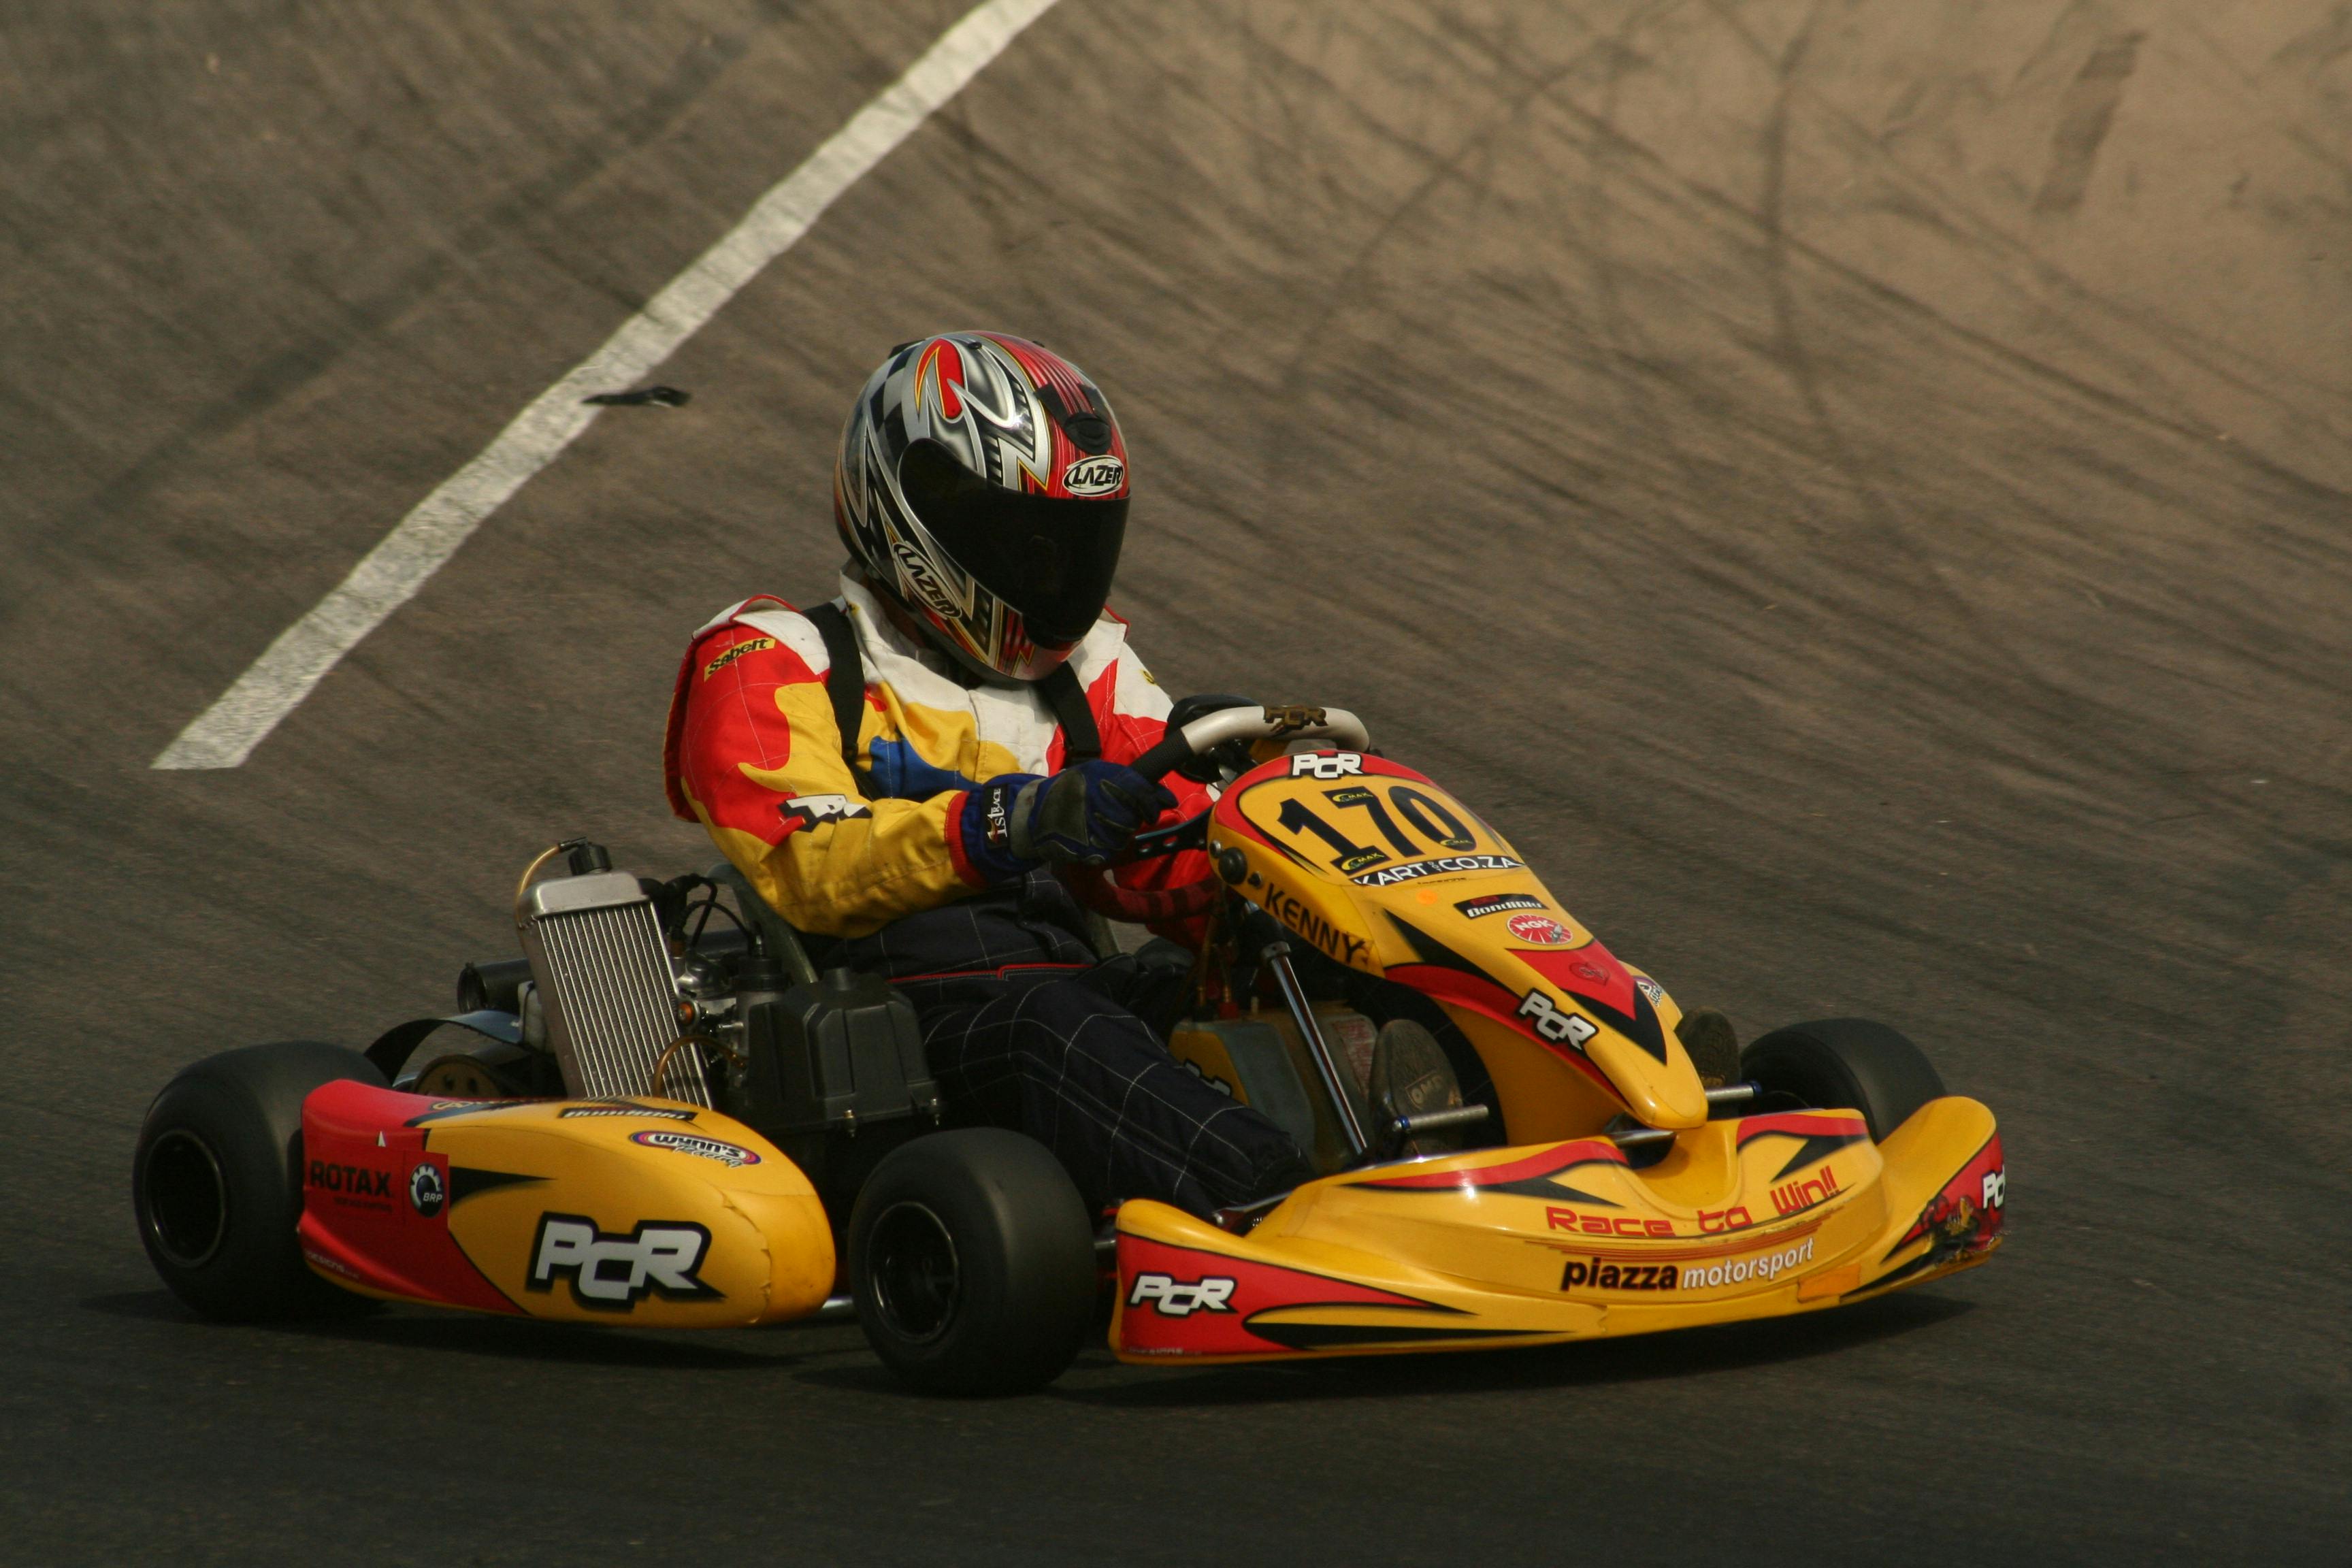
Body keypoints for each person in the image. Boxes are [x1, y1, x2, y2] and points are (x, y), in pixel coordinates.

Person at [662, 331, 1317, 1220]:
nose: (1055, 575)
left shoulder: (1086, 673)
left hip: (1068, 993)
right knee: (1059, 1027)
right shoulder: (773, 659)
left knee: (1279, 964)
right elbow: (811, 867)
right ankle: (1288, 1212)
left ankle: (1455, 1156)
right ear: (919, 519)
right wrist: (1010, 822)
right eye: (1025, 545)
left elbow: (1160, 860)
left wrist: (1270, 857)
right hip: (897, 1023)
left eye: (1074, 545)